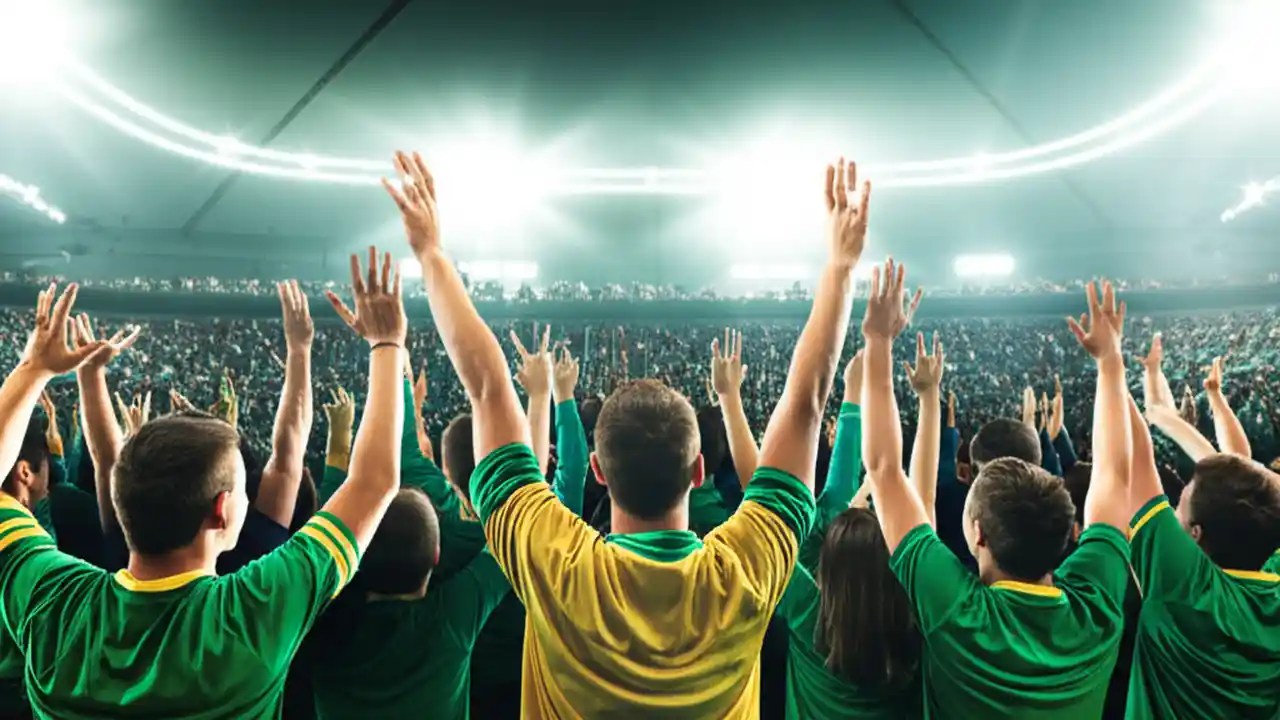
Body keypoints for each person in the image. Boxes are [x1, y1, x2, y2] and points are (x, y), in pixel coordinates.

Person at [383, 151, 870, 716]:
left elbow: (491, 389)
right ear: (696, 471)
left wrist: (431, 253)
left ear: (598, 470)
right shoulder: (744, 571)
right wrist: (839, 269)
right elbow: (807, 405)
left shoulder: (556, 562)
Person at [0, 252, 405, 717]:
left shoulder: (55, 603)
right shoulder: (252, 612)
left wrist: (33, 369)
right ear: (222, 509)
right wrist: (388, 343)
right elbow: (374, 482)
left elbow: (372, 482)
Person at [862, 273, 1131, 718]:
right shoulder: (1096, 609)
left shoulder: (956, 612)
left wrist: (877, 339)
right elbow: (1116, 477)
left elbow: (885, 470)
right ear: (1068, 534)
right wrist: (1111, 361)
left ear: (978, 534)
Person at [1125, 399, 1280, 717]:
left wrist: (1110, 364)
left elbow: (1133, 460)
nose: (1171, 512)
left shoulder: (1176, 589)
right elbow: (1252, 489)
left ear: (1195, 534)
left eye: (1177, 508)